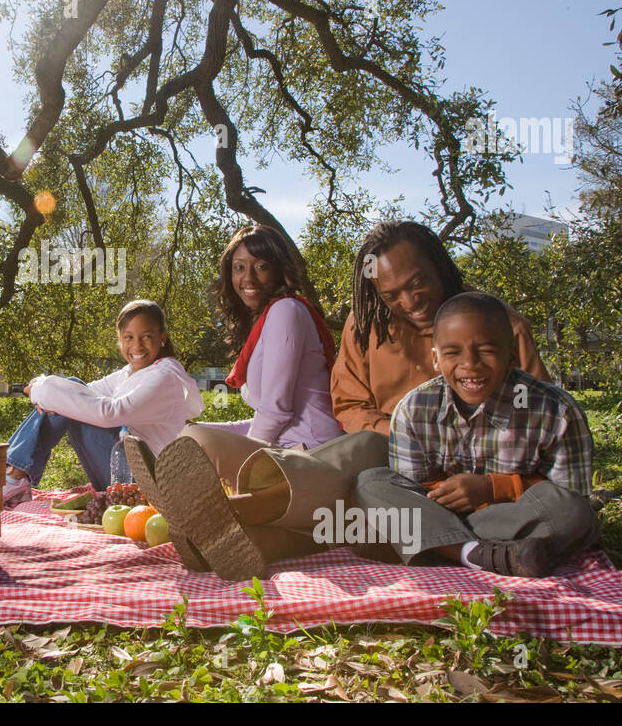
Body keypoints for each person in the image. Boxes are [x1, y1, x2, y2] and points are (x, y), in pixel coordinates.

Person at [352, 292, 599, 576]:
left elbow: (569, 495)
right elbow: (414, 491)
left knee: (572, 512)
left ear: (511, 354)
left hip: (515, 517)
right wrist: (449, 494)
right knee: (371, 483)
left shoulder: (556, 411)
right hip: (446, 514)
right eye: (453, 352)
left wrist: (493, 488)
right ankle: (482, 554)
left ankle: (438, 546)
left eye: (486, 350)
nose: (470, 364)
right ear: (435, 358)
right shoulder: (414, 408)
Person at [332, 221, 550, 435]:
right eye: (391, 296)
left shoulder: (504, 325)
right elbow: (351, 405)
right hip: (392, 448)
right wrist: (403, 435)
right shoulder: (364, 325)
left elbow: (538, 410)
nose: (410, 303)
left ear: (439, 267)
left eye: (417, 283)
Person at [2, 299, 203, 507]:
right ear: (119, 340)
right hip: (123, 477)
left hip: (149, 488)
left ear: (162, 337)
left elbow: (110, 414)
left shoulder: (164, 376)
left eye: (147, 337)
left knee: (66, 398)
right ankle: (13, 476)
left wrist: (44, 391)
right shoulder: (131, 373)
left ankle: (11, 476)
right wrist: (43, 385)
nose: (137, 346)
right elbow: (81, 391)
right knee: (68, 393)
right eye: (129, 337)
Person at [199, 225, 343, 450]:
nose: (248, 277)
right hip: (286, 449)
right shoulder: (264, 322)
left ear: (279, 270)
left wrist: (243, 463)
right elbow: (264, 421)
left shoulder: (286, 310)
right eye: (239, 267)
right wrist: (201, 429)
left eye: (261, 266)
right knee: (193, 435)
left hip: (315, 453)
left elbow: (275, 414)